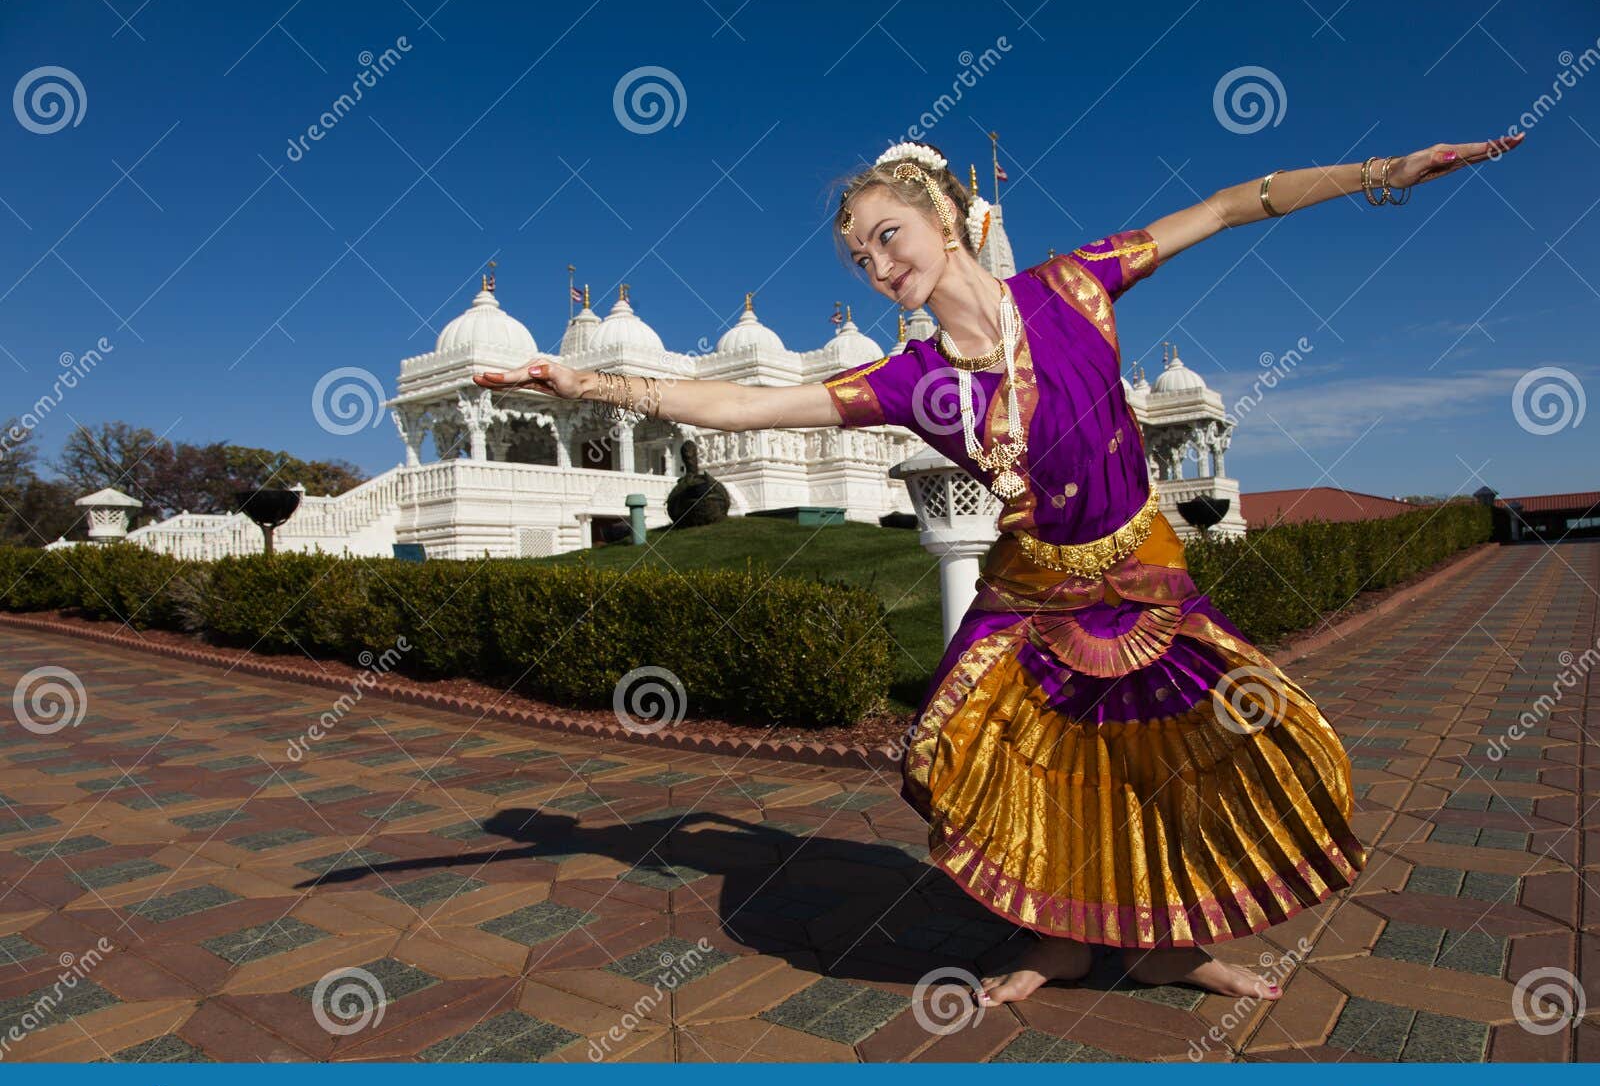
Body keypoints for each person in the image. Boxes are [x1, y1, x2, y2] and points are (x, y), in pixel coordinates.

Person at [475, 132, 1527, 1006]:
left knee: (1199, 740)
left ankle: (1174, 942)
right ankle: (1058, 938)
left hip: (1144, 569)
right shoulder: (911, 379)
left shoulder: (1077, 286)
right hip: (1032, 593)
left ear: (947, 217)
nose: (881, 266)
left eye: (889, 236)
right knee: (990, 755)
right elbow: (740, 405)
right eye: (860, 259)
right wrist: (589, 381)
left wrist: (1379, 172)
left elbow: (1226, 205)